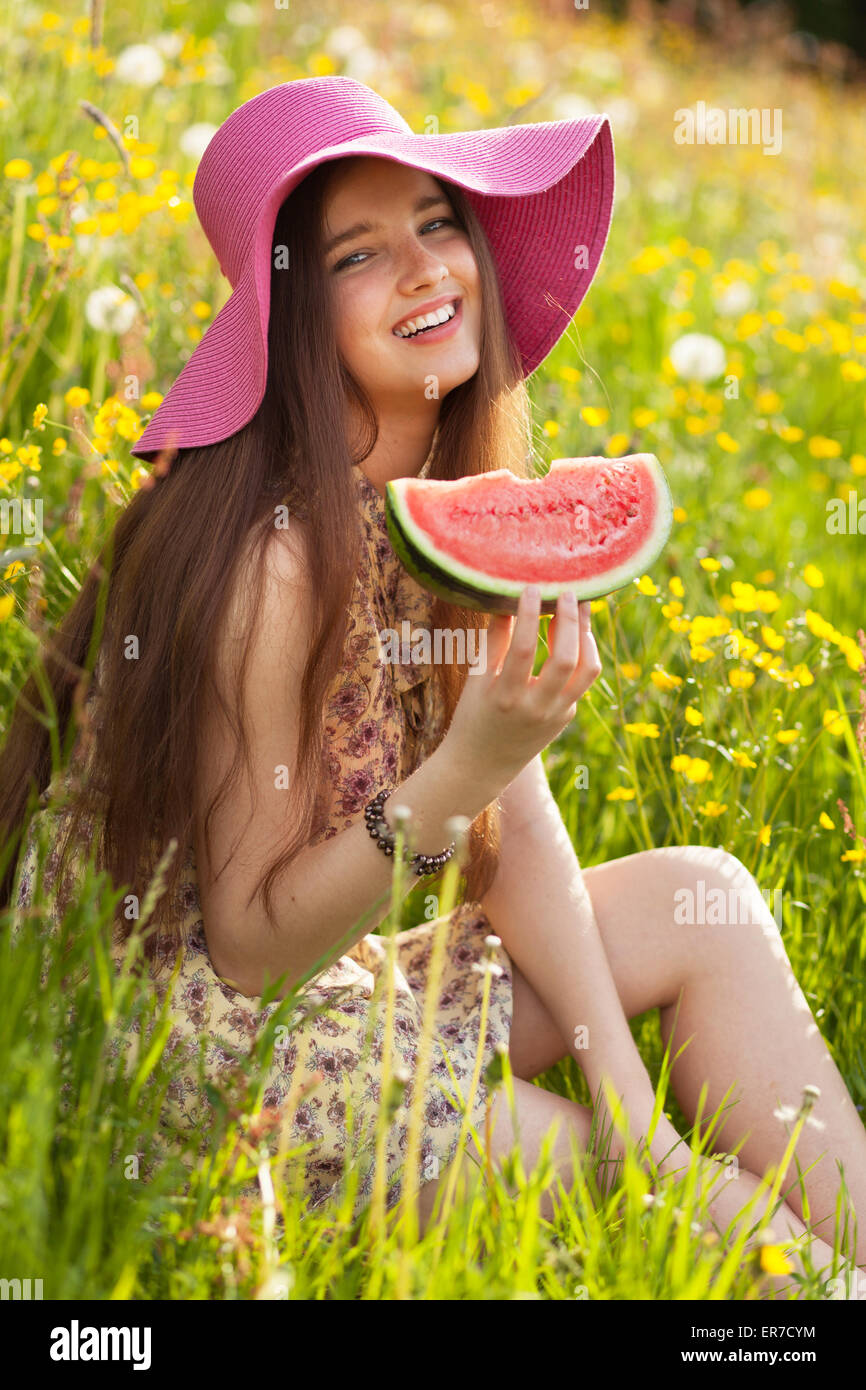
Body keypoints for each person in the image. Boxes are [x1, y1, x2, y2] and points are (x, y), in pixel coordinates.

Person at [2, 78, 864, 1292]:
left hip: (329, 977)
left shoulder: (430, 505)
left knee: (698, 899)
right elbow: (248, 953)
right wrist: (460, 773)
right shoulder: (266, 564)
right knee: (638, 1198)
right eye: (359, 252)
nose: (423, 268)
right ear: (291, 316)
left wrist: (635, 1108)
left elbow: (519, 825)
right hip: (187, 1057)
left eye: (438, 221)